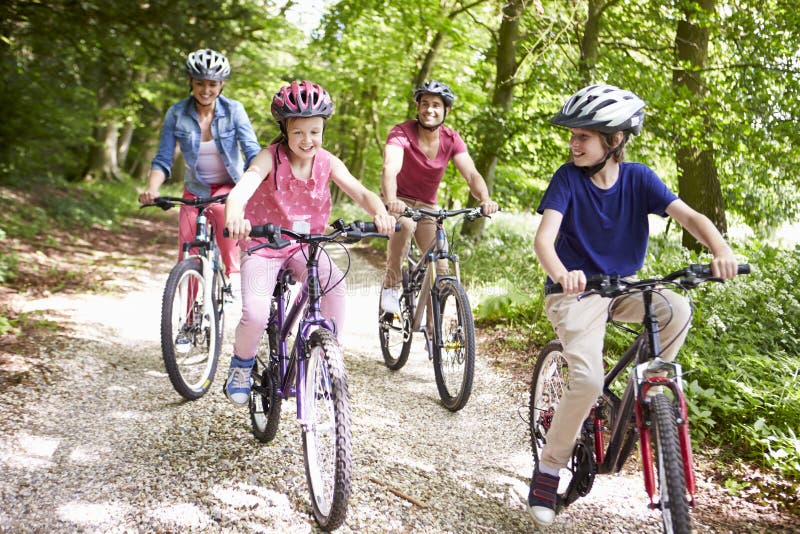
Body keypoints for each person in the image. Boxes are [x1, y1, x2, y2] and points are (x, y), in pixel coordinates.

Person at [528, 83, 740, 527]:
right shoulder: (567, 178)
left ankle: (642, 398)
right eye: (573, 135)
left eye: (583, 136)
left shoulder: (640, 178)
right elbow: (544, 239)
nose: (574, 143)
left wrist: (720, 250)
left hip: (623, 286)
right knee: (585, 382)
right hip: (576, 292)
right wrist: (563, 270)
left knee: (676, 308)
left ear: (615, 140)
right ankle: (549, 467)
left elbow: (691, 217)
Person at [223, 80, 396, 405]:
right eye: (299, 132)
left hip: (306, 245)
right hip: (264, 245)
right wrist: (235, 216)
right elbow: (241, 190)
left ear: (323, 130)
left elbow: (360, 191)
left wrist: (379, 212)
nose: (307, 140)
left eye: (314, 131)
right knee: (257, 315)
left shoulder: (327, 161)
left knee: (333, 285)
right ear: (285, 130)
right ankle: (241, 365)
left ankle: (330, 355)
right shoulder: (269, 157)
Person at [138, 48, 261, 298]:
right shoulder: (177, 113)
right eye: (199, 83)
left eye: (212, 84)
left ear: (222, 84)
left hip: (229, 188)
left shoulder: (234, 110)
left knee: (223, 215)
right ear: (191, 83)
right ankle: (189, 321)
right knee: (187, 250)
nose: (206, 90)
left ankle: (232, 274)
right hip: (195, 190)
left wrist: (259, 183)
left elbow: (252, 152)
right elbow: (163, 158)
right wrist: (153, 188)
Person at [379, 80, 499, 315]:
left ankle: (436, 337)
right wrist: (391, 200)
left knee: (442, 272)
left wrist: (485, 199)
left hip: (427, 206)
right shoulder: (401, 132)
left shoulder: (451, 139)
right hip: (400, 200)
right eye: (425, 104)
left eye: (436, 105)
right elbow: (389, 167)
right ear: (418, 107)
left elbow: (472, 174)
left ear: (446, 110)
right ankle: (391, 287)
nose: (429, 110)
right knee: (403, 225)